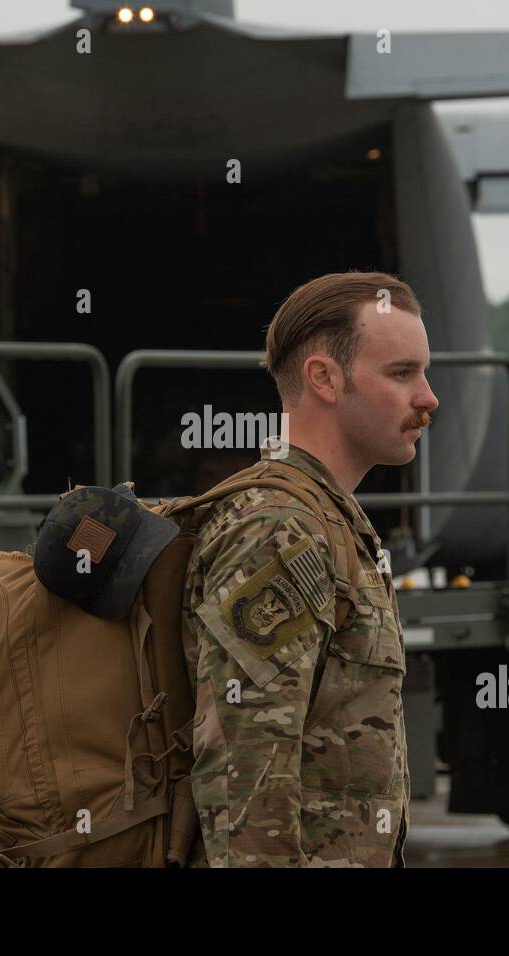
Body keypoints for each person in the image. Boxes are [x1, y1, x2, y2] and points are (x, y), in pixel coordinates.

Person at [182, 271, 438, 866]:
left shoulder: (327, 520)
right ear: (324, 377)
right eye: (402, 373)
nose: (429, 397)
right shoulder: (280, 529)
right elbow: (246, 777)